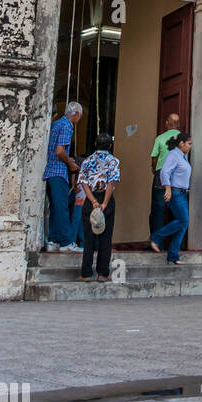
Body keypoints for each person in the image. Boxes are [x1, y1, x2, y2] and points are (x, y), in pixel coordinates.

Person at [77, 132, 120, 283]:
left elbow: (83, 182)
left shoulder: (87, 161)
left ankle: (86, 272)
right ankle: (102, 273)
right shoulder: (113, 161)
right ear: (110, 145)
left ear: (95, 144)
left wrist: (93, 201)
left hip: (91, 199)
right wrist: (105, 203)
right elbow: (111, 183)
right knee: (105, 238)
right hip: (106, 200)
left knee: (88, 237)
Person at [43, 101, 83, 252]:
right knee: (62, 207)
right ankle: (66, 242)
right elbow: (60, 151)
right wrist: (70, 163)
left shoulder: (55, 124)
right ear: (76, 114)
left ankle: (53, 240)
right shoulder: (67, 126)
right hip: (58, 171)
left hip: (48, 171)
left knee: (54, 207)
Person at [150, 132, 192, 264]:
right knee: (183, 220)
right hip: (175, 193)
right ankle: (156, 237)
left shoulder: (182, 156)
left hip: (182, 192)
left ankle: (173, 255)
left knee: (183, 224)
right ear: (181, 143)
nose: (190, 147)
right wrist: (167, 188)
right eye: (189, 144)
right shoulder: (174, 155)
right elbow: (164, 172)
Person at [149, 111, 180, 237]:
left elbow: (154, 158)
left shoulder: (160, 138)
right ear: (178, 125)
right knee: (177, 211)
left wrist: (154, 169)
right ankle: (174, 244)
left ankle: (157, 243)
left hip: (162, 175)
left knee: (158, 210)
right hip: (178, 176)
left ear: (167, 123)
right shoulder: (184, 139)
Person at [70, 158, 86, 246]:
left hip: (81, 198)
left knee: (77, 220)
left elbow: (75, 184)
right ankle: (81, 243)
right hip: (82, 198)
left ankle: (72, 241)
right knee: (80, 221)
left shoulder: (80, 173)